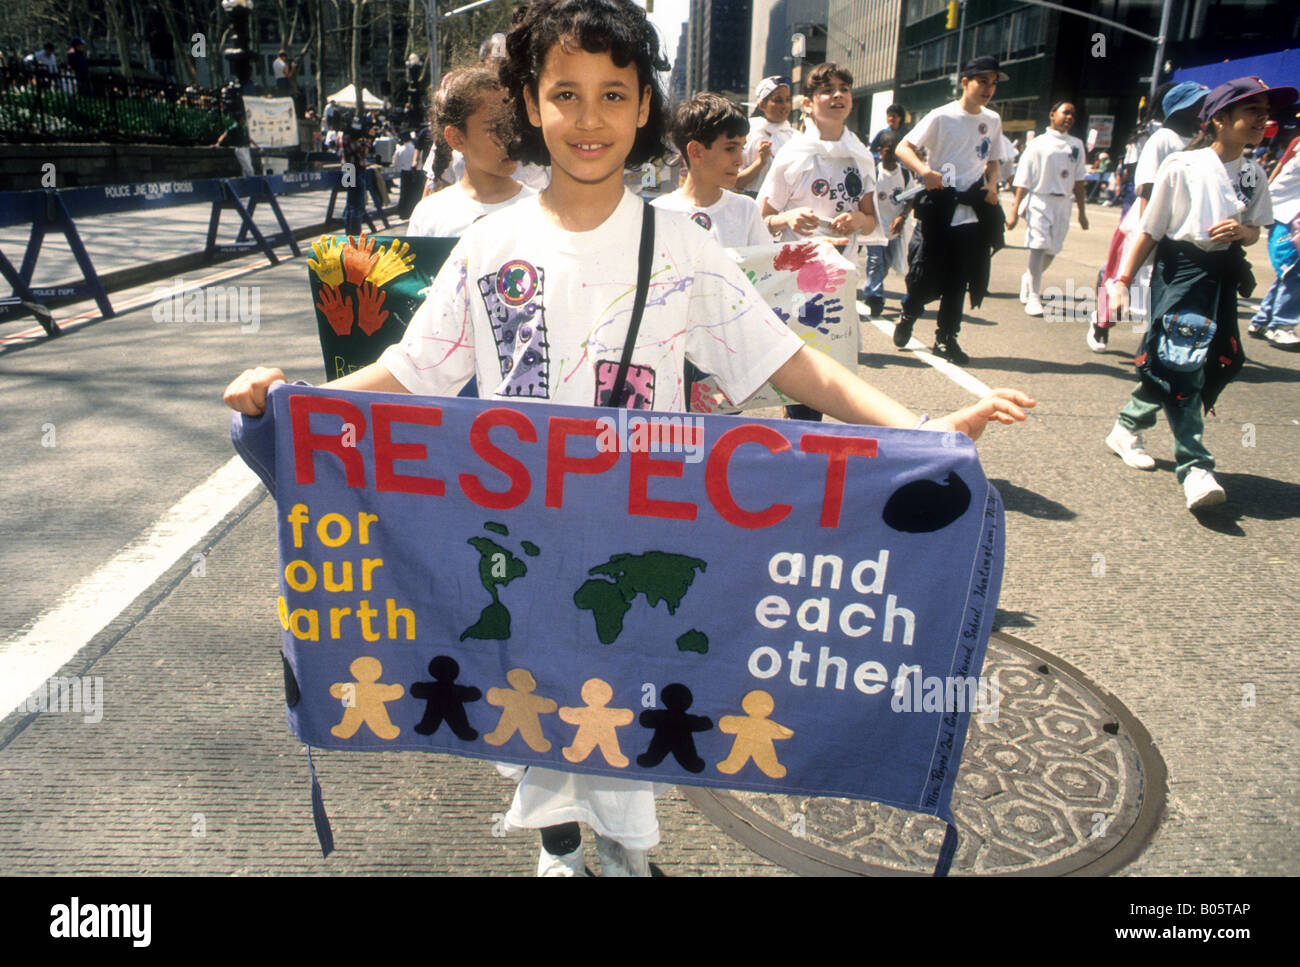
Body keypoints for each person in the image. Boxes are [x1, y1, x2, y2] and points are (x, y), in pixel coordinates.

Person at [223, 0, 1034, 877]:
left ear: (645, 106)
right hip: (521, 533)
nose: (588, 117)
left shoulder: (679, 245)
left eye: (614, 94)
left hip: (639, 536)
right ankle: (566, 846)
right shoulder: (488, 247)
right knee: (528, 704)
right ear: (530, 105)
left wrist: (919, 431)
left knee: (623, 707)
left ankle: (621, 855)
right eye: (564, 93)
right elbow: (413, 371)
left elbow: (796, 365)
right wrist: (297, 400)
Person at [1103, 77, 1293, 511]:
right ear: (1219, 119)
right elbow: (1150, 230)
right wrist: (1120, 283)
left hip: (1222, 276)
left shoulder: (1253, 172)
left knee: (1208, 359)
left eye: (1266, 112)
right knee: (1184, 360)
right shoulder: (1182, 166)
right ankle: (1195, 467)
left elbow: (1256, 229)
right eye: (1252, 111)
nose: (1262, 119)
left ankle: (1126, 425)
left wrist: (1245, 232)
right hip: (1182, 271)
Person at [758, 61, 877, 421]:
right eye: (826, 90)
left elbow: (872, 222)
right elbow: (762, 218)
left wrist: (858, 219)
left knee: (829, 371)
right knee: (803, 371)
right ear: (808, 104)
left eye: (843, 88)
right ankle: (798, 442)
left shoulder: (860, 155)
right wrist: (788, 217)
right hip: (797, 278)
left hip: (840, 278)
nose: (837, 95)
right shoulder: (792, 156)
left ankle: (806, 443)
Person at [891, 55, 1008, 365]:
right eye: (983, 81)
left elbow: (994, 158)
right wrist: (925, 171)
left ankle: (946, 338)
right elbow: (903, 147)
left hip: (971, 209)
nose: (988, 88)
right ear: (965, 82)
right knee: (923, 274)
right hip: (940, 204)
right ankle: (909, 312)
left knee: (960, 277)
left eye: (993, 83)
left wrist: (992, 185)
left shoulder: (993, 120)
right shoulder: (941, 117)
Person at [1089, 82, 1207, 351]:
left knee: (1157, 294)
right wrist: (1148, 230)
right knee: (1127, 284)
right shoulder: (1162, 138)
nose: (1201, 109)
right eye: (1196, 103)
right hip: (1150, 223)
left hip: (1179, 226)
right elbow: (1145, 186)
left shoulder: (1203, 142)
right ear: (1180, 108)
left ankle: (1157, 351)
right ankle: (1100, 320)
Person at [406, 67, 535, 236]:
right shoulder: (430, 215)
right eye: (495, 128)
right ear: (456, 138)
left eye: (514, 125)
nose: (512, 139)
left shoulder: (542, 210)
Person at [652, 92, 768, 247]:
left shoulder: (746, 210)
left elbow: (765, 268)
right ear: (696, 151)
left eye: (742, 148)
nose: (739, 161)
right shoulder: (658, 212)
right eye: (730, 148)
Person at [1006, 101, 1088, 317]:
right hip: (1040, 200)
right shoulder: (1038, 143)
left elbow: (1079, 181)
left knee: (1052, 250)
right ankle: (1034, 296)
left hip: (1063, 202)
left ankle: (1029, 277)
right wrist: (1014, 211)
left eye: (1073, 114)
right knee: (1038, 245)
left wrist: (1082, 212)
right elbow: (1023, 179)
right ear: (1052, 115)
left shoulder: (1077, 144)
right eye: (1065, 112)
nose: (1069, 117)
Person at [1247, 133, 1300, 348]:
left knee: (1289, 272)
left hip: (1286, 214)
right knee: (1294, 273)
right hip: (1288, 215)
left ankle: (1262, 320)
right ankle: (1281, 325)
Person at [860, 129, 914, 317]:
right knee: (875, 260)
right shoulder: (874, 173)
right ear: (880, 150)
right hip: (876, 228)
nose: (891, 154)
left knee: (886, 263)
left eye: (894, 150)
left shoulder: (905, 175)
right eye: (887, 150)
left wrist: (902, 217)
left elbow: (910, 199)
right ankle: (875, 296)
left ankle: (870, 285)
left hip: (894, 229)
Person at [736, 76, 794, 196]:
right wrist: (761, 162)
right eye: (778, 100)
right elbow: (735, 181)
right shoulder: (747, 134)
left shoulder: (796, 138)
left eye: (787, 100)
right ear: (762, 105)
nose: (785, 105)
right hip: (751, 200)